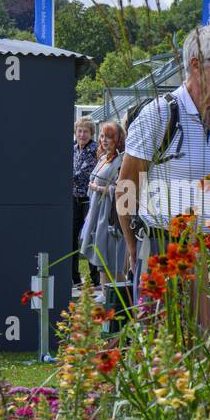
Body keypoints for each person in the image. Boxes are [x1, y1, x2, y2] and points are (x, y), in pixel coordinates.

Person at [117, 25, 210, 302]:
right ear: (196, 64)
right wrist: (134, 248)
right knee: (165, 340)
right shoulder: (161, 114)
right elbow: (126, 188)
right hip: (164, 252)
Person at [78, 120, 129, 303]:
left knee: (110, 256)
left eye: (109, 137)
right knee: (99, 250)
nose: (104, 140)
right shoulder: (102, 158)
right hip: (97, 211)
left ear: (118, 139)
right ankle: (105, 291)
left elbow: (124, 190)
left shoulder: (121, 161)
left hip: (109, 214)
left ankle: (123, 297)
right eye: (102, 136)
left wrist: (98, 189)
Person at [72, 117, 99, 295]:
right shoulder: (73, 148)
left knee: (89, 239)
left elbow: (82, 174)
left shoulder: (94, 150)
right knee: (71, 239)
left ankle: (93, 279)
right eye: (80, 131)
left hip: (88, 200)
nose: (82, 134)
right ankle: (75, 278)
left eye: (86, 131)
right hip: (73, 199)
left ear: (91, 133)